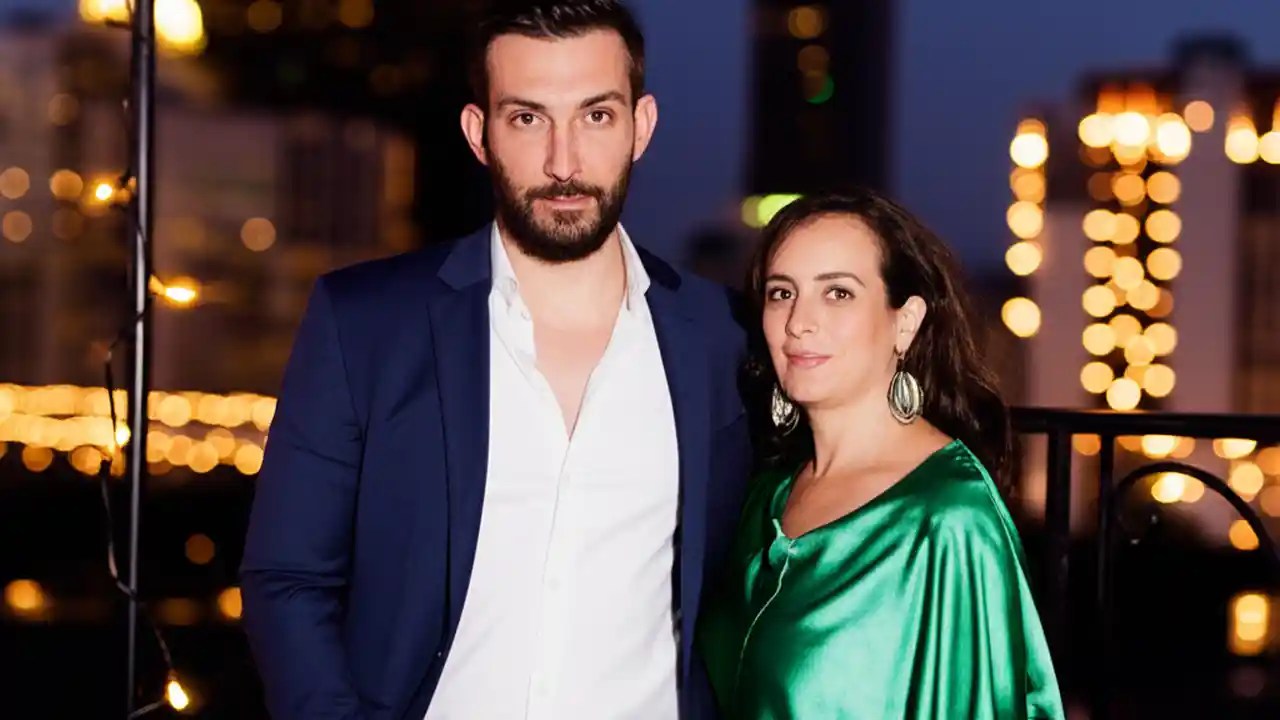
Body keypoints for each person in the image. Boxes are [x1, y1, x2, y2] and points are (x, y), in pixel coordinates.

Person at [239, 2, 753, 718]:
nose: (563, 162)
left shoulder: (725, 338)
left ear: (642, 126)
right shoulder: (364, 325)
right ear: (479, 134)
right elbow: (286, 580)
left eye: (596, 116)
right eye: (528, 118)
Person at [697, 190, 1065, 719]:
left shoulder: (948, 521)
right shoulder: (770, 491)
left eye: (838, 294)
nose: (800, 321)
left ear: (906, 321)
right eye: (782, 293)